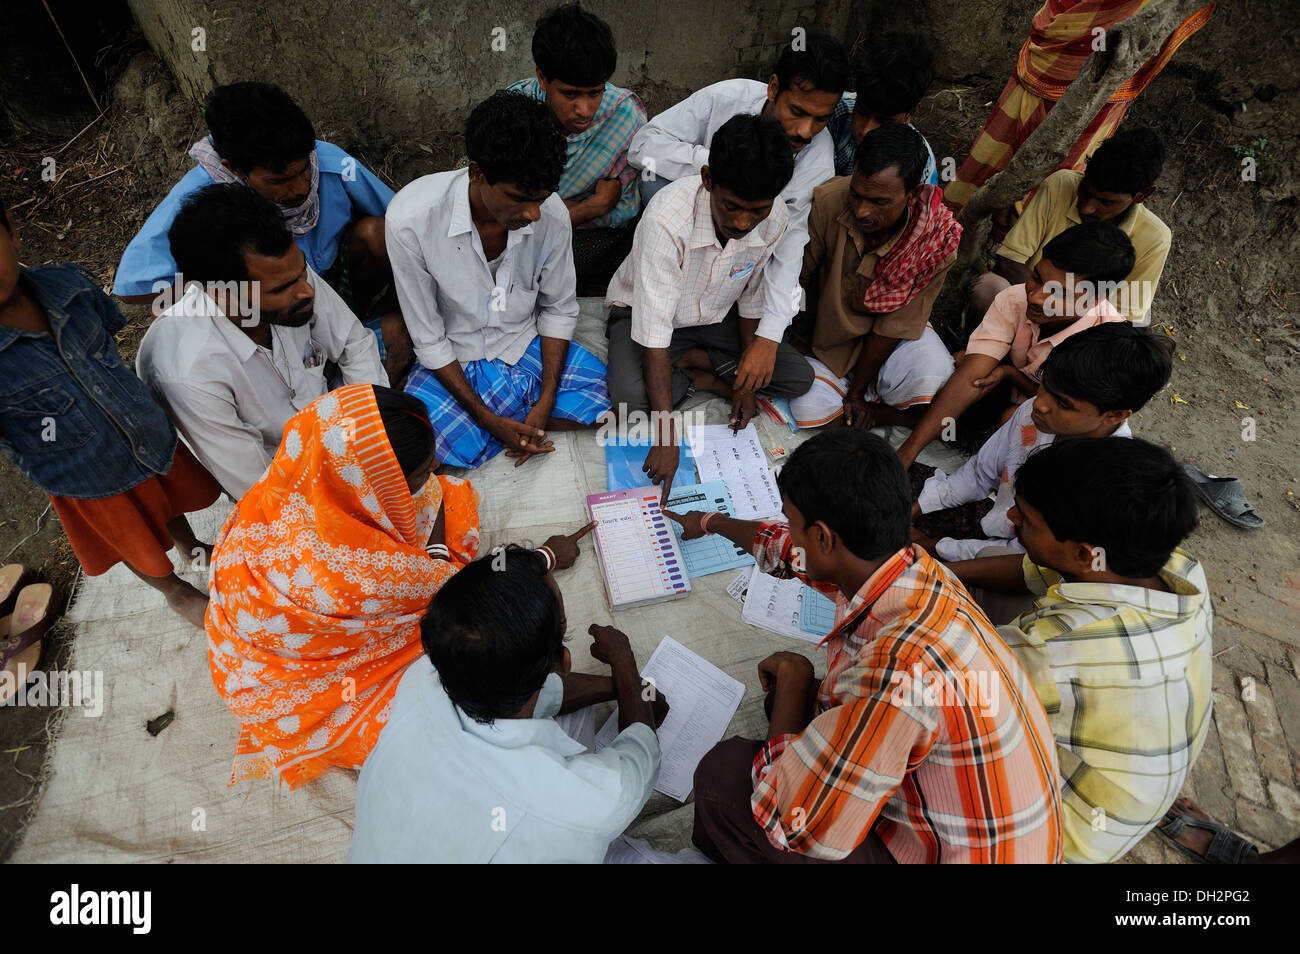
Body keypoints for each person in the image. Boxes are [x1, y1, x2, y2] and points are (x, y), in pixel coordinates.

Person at [668, 430, 1063, 863]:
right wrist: (711, 523)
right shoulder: (916, 571)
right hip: (986, 833)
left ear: (822, 537)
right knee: (809, 717)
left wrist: (795, 684)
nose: (790, 533)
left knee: (726, 774)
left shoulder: (901, 671)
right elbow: (790, 551)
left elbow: (798, 821)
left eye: (792, 520)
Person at [206, 384, 595, 788]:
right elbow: (458, 591)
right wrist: (546, 556)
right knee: (475, 673)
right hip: (300, 687)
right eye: (423, 469)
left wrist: (426, 492)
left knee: (432, 499)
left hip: (248, 648)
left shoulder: (286, 482)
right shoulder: (365, 571)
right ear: (372, 488)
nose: (437, 468)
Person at [946, 437, 1210, 864]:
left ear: (1086, 554)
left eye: (1027, 519)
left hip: (1058, 838)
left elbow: (944, 700)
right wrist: (942, 572)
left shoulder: (1053, 650)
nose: (1011, 515)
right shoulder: (1176, 565)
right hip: (1131, 788)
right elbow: (1036, 569)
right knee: (992, 564)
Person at [348, 546, 667, 863]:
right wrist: (623, 661)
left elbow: (543, 690)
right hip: (543, 831)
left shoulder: (423, 676)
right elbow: (638, 756)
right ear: (562, 662)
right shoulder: (584, 802)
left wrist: (624, 690)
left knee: (575, 712)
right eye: (563, 628)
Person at [0, 200, 219, 629]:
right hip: (85, 474)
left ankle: (190, 546)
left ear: (11, 231)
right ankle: (175, 591)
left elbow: (109, 327)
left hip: (143, 431)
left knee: (168, 500)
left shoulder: (72, 288)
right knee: (133, 539)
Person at [113, 82, 409, 374]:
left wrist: (399, 308)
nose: (300, 188)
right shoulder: (199, 201)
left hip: (330, 285)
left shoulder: (328, 161)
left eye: (304, 170)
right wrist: (232, 291)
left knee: (379, 234)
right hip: (262, 304)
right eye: (278, 181)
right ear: (235, 169)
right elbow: (131, 287)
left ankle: (358, 323)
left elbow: (404, 223)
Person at [388, 91, 609, 470]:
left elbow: (558, 309)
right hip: (456, 357)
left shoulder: (550, 215)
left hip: (523, 345)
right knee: (407, 449)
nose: (534, 213)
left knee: (616, 402)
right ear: (477, 172)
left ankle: (515, 418)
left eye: (542, 198)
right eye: (520, 198)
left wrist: (545, 402)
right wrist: (486, 417)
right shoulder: (411, 220)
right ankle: (500, 422)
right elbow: (429, 339)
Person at [626, 31, 847, 398]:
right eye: (797, 112)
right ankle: (666, 301)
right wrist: (722, 167)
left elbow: (789, 249)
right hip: (687, 223)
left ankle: (701, 356)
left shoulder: (816, 160)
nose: (805, 131)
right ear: (774, 88)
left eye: (821, 119)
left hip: (733, 280)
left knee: (790, 375)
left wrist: (767, 338)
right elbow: (644, 147)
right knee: (655, 187)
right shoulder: (726, 97)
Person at [136, 184, 389, 500]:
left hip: (335, 424)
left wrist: (373, 435)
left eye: (302, 273)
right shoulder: (186, 372)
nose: (307, 291)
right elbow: (263, 489)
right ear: (222, 295)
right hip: (282, 475)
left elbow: (353, 343)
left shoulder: (284, 273)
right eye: (283, 288)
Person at [605, 114, 811, 501]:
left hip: (717, 317)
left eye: (758, 210)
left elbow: (751, 294)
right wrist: (667, 438)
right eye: (732, 206)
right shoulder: (668, 219)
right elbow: (654, 328)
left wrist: (750, 383)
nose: (743, 222)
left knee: (796, 377)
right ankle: (704, 377)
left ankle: (695, 363)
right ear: (708, 179)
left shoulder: (775, 217)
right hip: (642, 315)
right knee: (630, 402)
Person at [912, 322, 1170, 562]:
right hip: (995, 523)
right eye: (1045, 386)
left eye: (1063, 404)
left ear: (1115, 415)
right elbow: (979, 475)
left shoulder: (1101, 484)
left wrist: (936, 547)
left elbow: (1024, 560)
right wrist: (916, 508)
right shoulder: (1034, 414)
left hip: (1021, 561)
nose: (1039, 404)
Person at [897, 220, 1133, 468]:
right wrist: (906, 455)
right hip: (1019, 386)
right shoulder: (1014, 298)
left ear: (1095, 299)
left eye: (1059, 293)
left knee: (1015, 424)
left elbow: (1074, 412)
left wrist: (1009, 374)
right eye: (1036, 277)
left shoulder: (1108, 344)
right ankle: (948, 431)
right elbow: (969, 377)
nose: (1036, 296)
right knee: (960, 373)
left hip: (1057, 416)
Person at [943, 0, 1214, 211]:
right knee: (1008, 142)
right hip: (1064, 44)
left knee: (1066, 161)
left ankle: (1020, 232)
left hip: (1104, 82)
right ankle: (965, 216)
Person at [788, 123, 961, 429]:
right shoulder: (828, 201)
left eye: (880, 202)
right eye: (857, 195)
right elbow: (795, 280)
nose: (862, 212)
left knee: (934, 372)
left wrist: (855, 393)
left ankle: (871, 408)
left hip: (889, 342)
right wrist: (792, 341)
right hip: (827, 341)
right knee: (807, 406)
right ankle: (880, 412)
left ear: (912, 195)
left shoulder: (937, 240)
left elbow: (895, 326)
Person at [506, 3, 647, 295]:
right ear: (543, 78)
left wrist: (571, 215)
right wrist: (590, 207)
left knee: (534, 277)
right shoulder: (515, 111)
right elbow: (507, 209)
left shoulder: (625, 118)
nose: (584, 110)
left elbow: (620, 212)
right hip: (517, 229)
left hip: (589, 238)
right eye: (570, 94)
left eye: (595, 93)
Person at [970, 128, 1171, 323]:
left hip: (1081, 330)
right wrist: (1043, 305)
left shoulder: (1155, 238)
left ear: (1142, 195)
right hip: (1029, 301)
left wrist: (1061, 320)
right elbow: (1009, 262)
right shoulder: (1060, 185)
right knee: (990, 288)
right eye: (1085, 191)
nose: (1087, 209)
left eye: (1106, 202)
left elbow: (1124, 315)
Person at [827, 31, 939, 182]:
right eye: (861, 112)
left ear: (911, 113)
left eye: (884, 121)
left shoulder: (921, 167)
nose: (866, 130)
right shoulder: (830, 113)